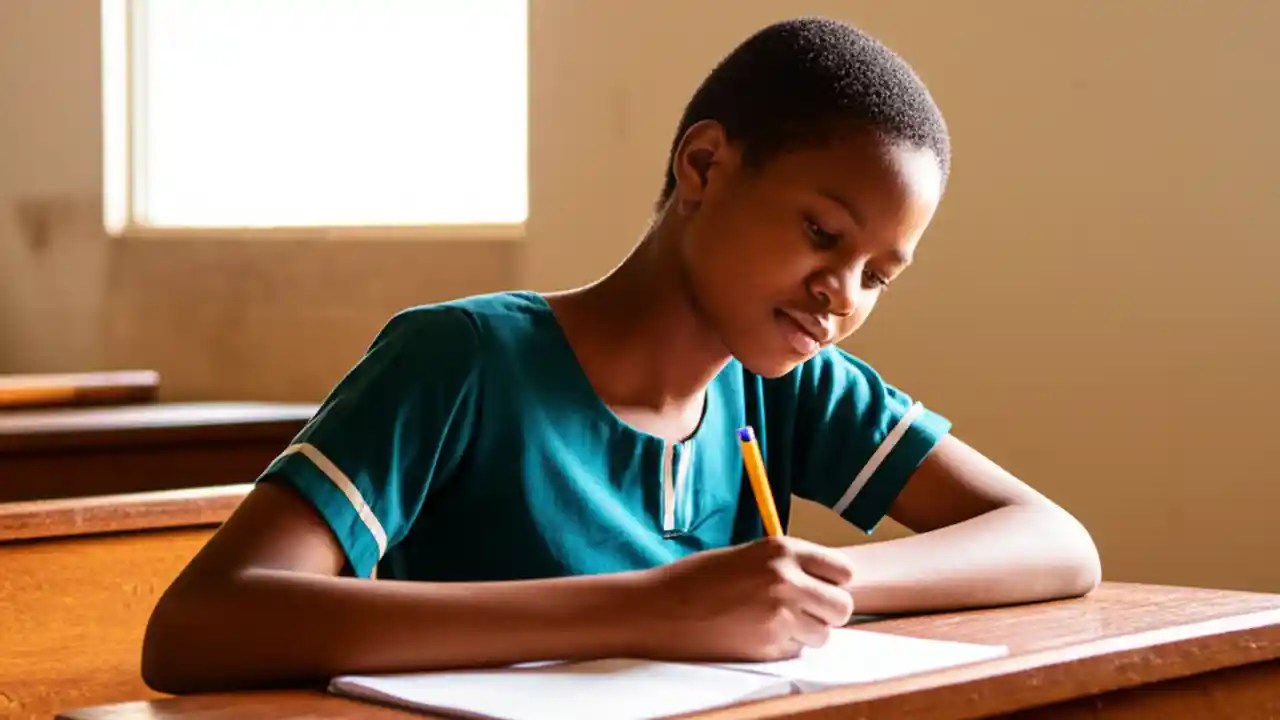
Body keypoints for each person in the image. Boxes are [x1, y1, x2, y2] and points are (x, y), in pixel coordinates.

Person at [142, 16, 1100, 693]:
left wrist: (811, 589)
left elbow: (1056, 543)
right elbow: (199, 627)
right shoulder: (462, 361)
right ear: (704, 166)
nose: (841, 294)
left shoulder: (789, 386)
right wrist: (650, 608)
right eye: (820, 232)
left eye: (878, 276)